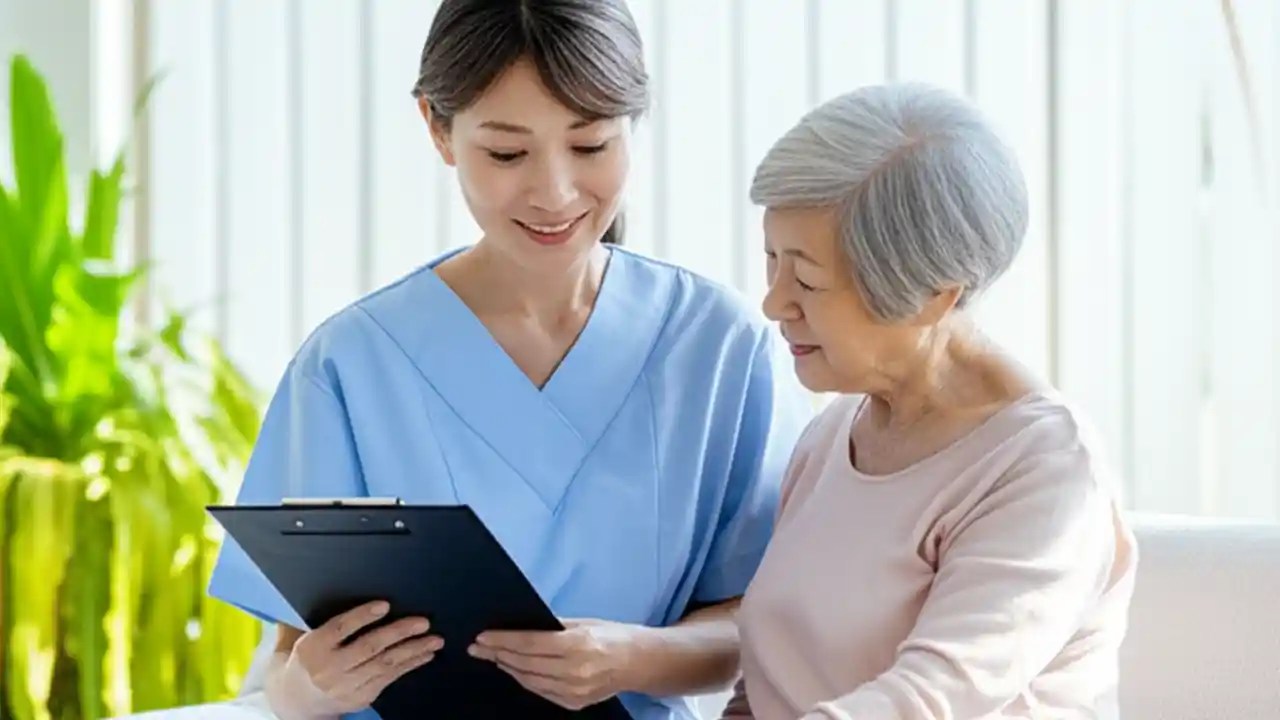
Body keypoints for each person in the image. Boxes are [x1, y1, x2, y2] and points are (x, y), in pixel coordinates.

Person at [206, 2, 810, 719]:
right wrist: (316, 686)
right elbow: (286, 666)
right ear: (438, 128)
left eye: (590, 145)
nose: (555, 192)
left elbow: (768, 625)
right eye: (506, 154)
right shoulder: (350, 365)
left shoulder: (718, 348)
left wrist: (630, 659)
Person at [721, 84, 1138, 720]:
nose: (774, 303)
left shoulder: (1044, 471)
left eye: (806, 279)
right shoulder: (834, 433)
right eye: (772, 261)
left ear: (933, 295)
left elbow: (927, 701)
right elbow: (768, 680)